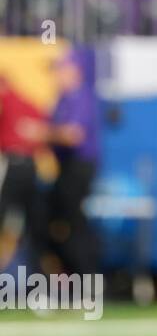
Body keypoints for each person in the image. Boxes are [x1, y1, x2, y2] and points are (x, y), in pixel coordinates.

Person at [40, 52, 101, 277]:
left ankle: (87, 279)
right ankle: (69, 276)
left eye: (60, 70)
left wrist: (41, 133)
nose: (56, 76)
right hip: (65, 167)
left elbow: (72, 135)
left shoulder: (79, 97)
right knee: (51, 220)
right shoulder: (62, 99)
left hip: (79, 167)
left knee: (74, 223)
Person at [0, 73, 46, 270]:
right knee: (30, 225)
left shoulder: (9, 102)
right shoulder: (27, 103)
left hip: (12, 164)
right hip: (30, 165)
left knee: (15, 222)